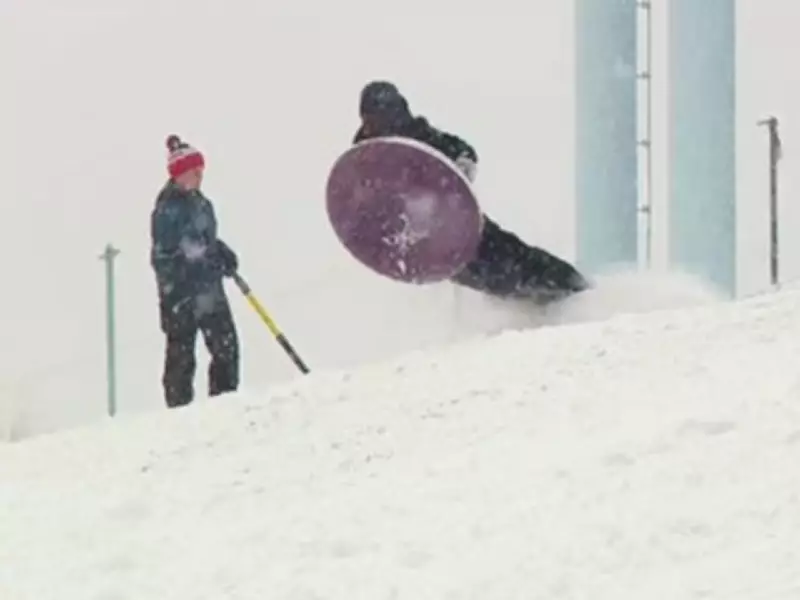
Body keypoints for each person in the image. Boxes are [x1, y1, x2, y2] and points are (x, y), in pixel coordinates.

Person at [354, 80, 590, 304]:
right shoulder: (363, 161)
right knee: (490, 274)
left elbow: (462, 150)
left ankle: (572, 289)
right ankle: (546, 299)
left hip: (459, 226)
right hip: (430, 246)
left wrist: (460, 168)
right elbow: (360, 208)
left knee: (512, 259)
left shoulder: (421, 135)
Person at [149, 134, 240, 408]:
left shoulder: (202, 204)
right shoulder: (166, 210)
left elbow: (205, 241)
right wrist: (200, 259)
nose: (199, 177)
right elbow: (169, 253)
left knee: (226, 348)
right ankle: (179, 410)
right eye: (194, 172)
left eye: (201, 171)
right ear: (179, 174)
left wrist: (220, 251)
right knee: (181, 356)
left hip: (209, 290)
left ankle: (224, 402)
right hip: (180, 296)